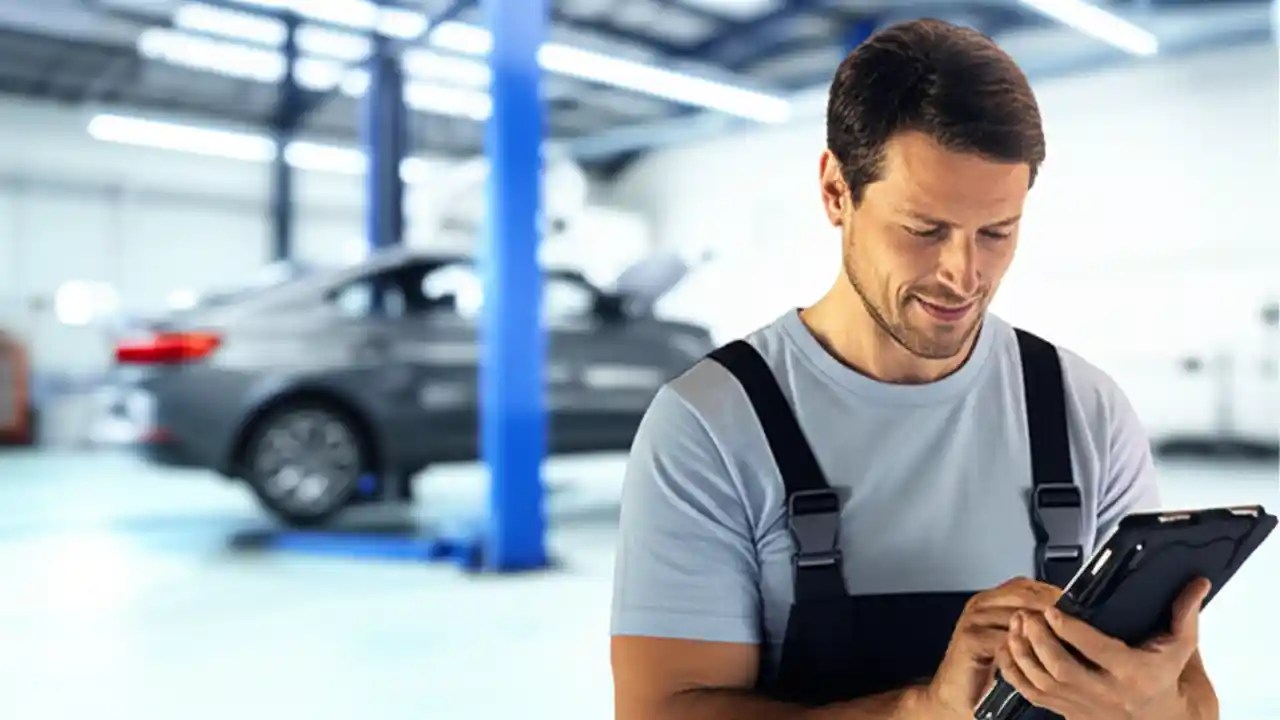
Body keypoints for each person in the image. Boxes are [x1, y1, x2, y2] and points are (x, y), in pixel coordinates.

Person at [610, 18, 1219, 720]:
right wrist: (921, 710)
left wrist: (1148, 707)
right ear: (837, 191)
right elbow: (662, 711)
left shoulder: (1087, 411)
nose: (963, 274)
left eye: (997, 232)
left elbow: (1194, 700)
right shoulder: (711, 425)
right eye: (923, 230)